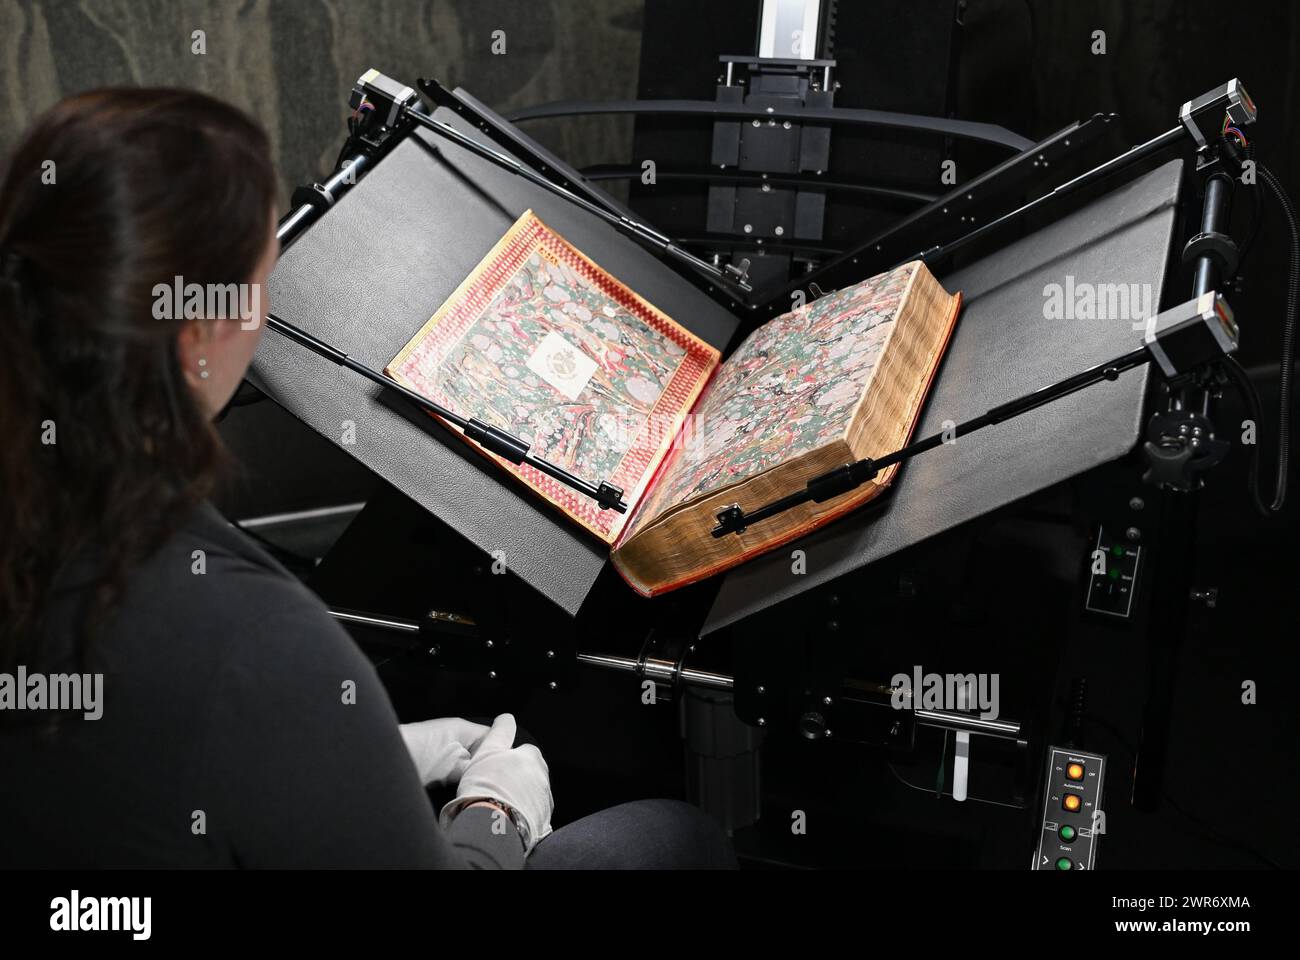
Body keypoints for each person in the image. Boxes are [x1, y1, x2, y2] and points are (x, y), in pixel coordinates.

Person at [0, 88, 736, 870]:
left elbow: (152, 744)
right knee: (674, 839)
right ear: (198, 335)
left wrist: (363, 754)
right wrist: (494, 817)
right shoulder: (258, 639)